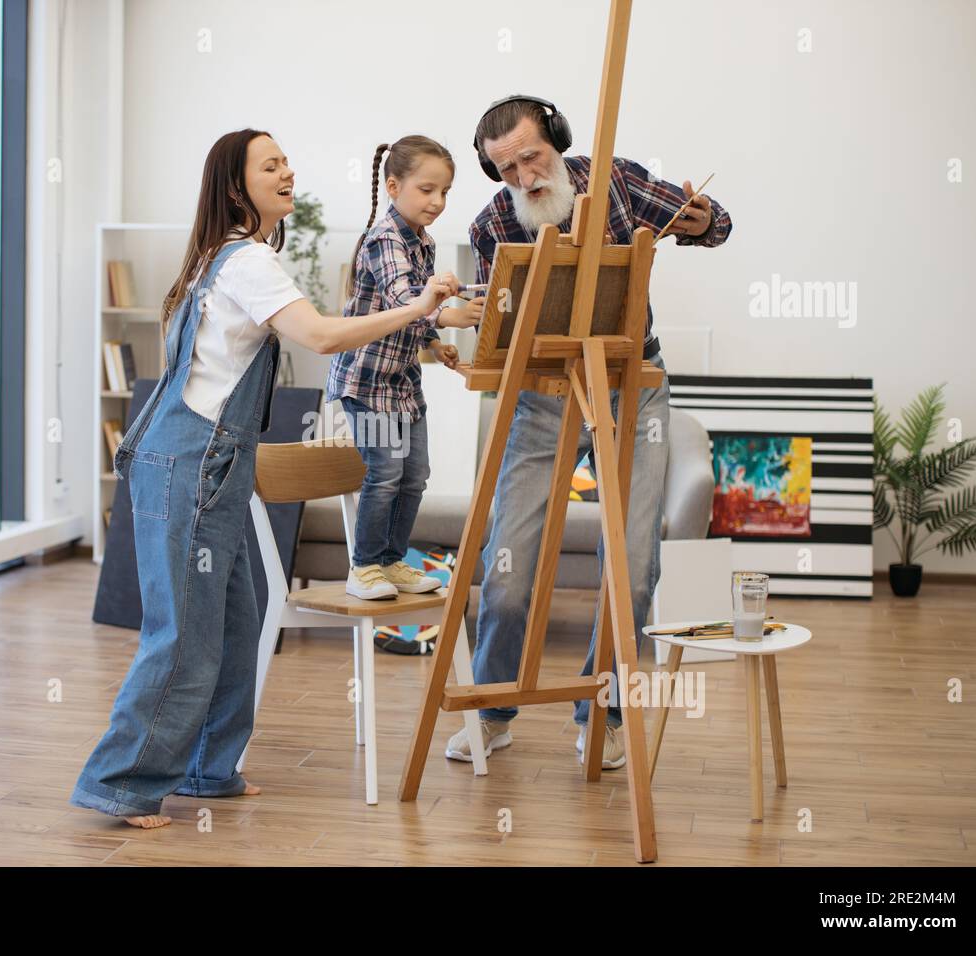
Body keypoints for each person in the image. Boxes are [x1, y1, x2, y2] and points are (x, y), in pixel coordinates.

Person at [70, 129, 460, 829]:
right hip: (191, 462)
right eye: (270, 165)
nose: (287, 172)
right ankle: (121, 782)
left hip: (211, 465)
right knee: (184, 633)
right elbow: (320, 337)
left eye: (286, 161)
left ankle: (208, 769)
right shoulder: (247, 262)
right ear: (234, 187)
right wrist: (417, 309)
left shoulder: (228, 259)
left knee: (239, 622)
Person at [445, 95, 732, 769]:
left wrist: (700, 217)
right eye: (507, 168)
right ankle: (491, 711)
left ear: (560, 142)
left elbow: (716, 227)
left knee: (633, 570)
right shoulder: (492, 223)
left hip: (633, 382)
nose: (524, 177)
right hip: (542, 394)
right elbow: (499, 328)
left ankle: (599, 713)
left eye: (533, 158)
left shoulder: (620, 181)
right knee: (508, 567)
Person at [327, 135, 484, 600]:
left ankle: (392, 561)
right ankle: (364, 568)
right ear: (393, 186)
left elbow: (417, 311)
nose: (437, 202)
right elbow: (403, 298)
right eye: (427, 189)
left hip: (403, 383)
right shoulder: (383, 239)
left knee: (416, 475)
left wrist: (435, 343)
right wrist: (449, 315)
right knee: (385, 472)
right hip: (366, 380)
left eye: (445, 193)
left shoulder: (424, 242)